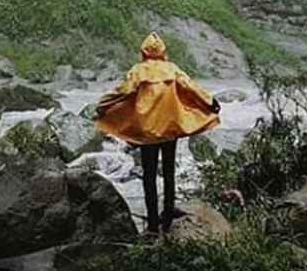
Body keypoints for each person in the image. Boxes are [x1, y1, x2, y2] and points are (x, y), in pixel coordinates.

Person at [94, 31, 221, 236]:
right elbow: (191, 87)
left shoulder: (138, 70)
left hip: (146, 132)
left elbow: (123, 92)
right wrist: (210, 102)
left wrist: (102, 105)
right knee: (169, 175)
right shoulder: (172, 69)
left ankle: (153, 225)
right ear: (163, 51)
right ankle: (168, 220)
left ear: (143, 52)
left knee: (149, 177)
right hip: (170, 128)